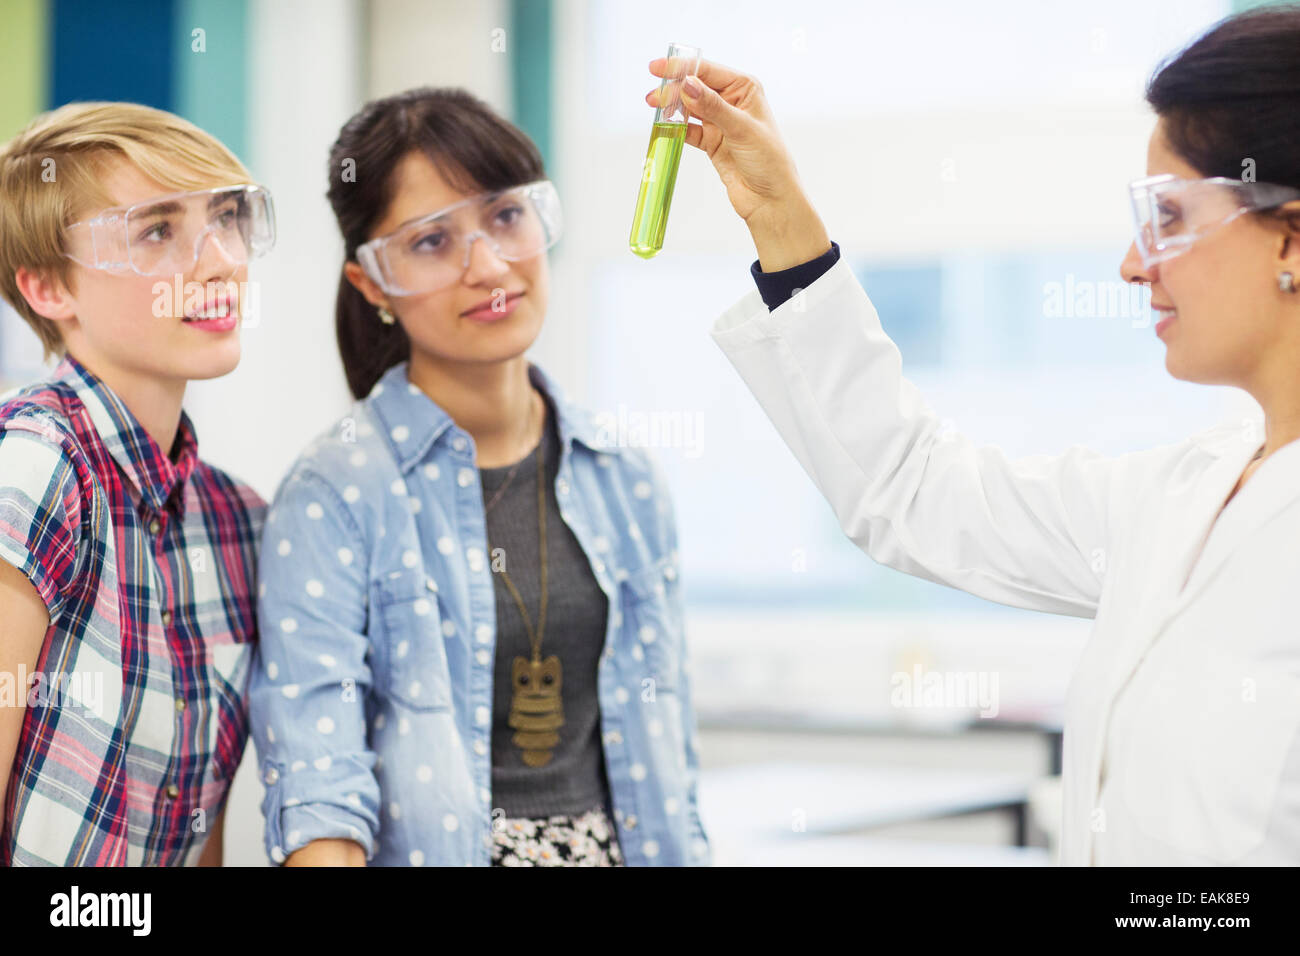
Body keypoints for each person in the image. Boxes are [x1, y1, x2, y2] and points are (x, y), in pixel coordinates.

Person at [655, 4, 1300, 865]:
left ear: (1291, 236)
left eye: (1170, 218)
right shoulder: (1185, 494)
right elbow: (916, 490)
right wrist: (779, 214)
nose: (1133, 264)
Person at [248, 87, 710, 866]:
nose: (489, 266)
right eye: (431, 242)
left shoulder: (622, 476)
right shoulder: (335, 493)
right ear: (372, 285)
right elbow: (317, 787)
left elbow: (669, 750)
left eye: (505, 216)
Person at [0, 102, 273, 864]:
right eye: (158, 231)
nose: (219, 261)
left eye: (226, 217)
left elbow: (196, 830)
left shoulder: (237, 521)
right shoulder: (33, 465)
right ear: (50, 289)